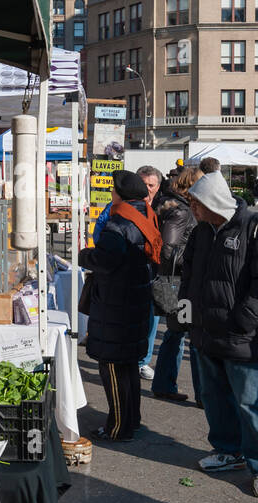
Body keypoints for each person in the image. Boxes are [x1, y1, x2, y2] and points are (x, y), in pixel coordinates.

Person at [180, 170, 258, 497]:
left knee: (250, 404)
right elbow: (188, 277)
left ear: (212, 202)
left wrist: (242, 322)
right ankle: (227, 450)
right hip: (205, 333)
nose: (192, 209)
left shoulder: (257, 229)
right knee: (214, 397)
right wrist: (185, 316)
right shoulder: (201, 232)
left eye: (196, 203)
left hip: (241, 336)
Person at [79, 170, 160, 441]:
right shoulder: (146, 215)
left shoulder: (119, 222)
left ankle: (118, 427)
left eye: (113, 189)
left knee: (112, 367)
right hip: (136, 299)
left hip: (116, 303)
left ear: (121, 193)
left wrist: (85, 256)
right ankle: (132, 420)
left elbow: (105, 260)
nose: (111, 194)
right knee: (128, 366)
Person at [151, 165, 200, 403]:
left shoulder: (172, 205)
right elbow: (168, 250)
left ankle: (164, 384)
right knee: (190, 336)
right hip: (180, 284)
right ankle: (205, 395)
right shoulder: (180, 211)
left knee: (177, 334)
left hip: (179, 282)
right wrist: (197, 255)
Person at [135, 166, 165, 380]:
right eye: (143, 184)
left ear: (158, 187)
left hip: (162, 274)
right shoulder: (124, 206)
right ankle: (131, 360)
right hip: (134, 272)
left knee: (156, 319)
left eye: (151, 185)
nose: (147, 190)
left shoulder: (167, 208)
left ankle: (144, 362)